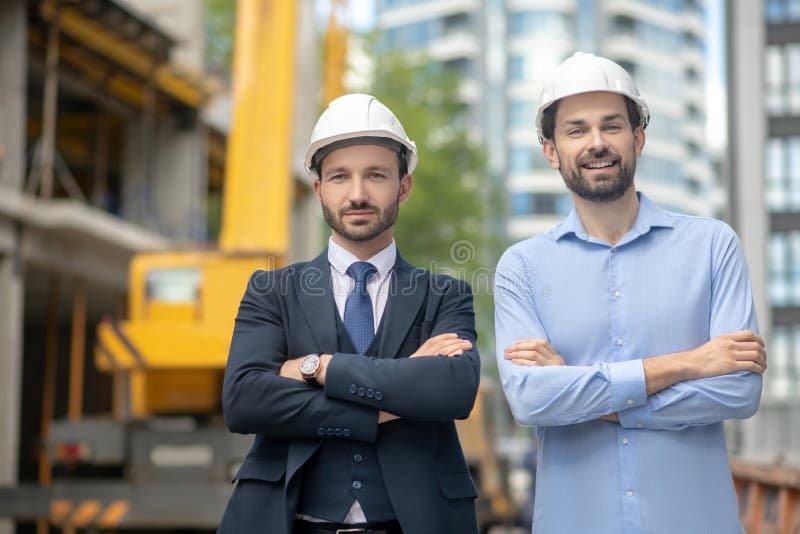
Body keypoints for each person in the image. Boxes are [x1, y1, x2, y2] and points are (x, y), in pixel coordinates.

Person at [493, 52, 766, 534]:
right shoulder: (522, 267)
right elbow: (532, 402)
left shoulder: (712, 245)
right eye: (576, 130)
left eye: (611, 126)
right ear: (551, 151)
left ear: (638, 138)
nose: (596, 143)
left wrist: (585, 396)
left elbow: (737, 389)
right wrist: (686, 363)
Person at [218, 93, 481, 534]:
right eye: (340, 177)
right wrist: (389, 398)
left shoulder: (444, 295)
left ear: (403, 186)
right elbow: (245, 401)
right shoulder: (272, 290)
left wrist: (320, 367)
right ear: (320, 189)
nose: (357, 194)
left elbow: (452, 391)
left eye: (375, 175)